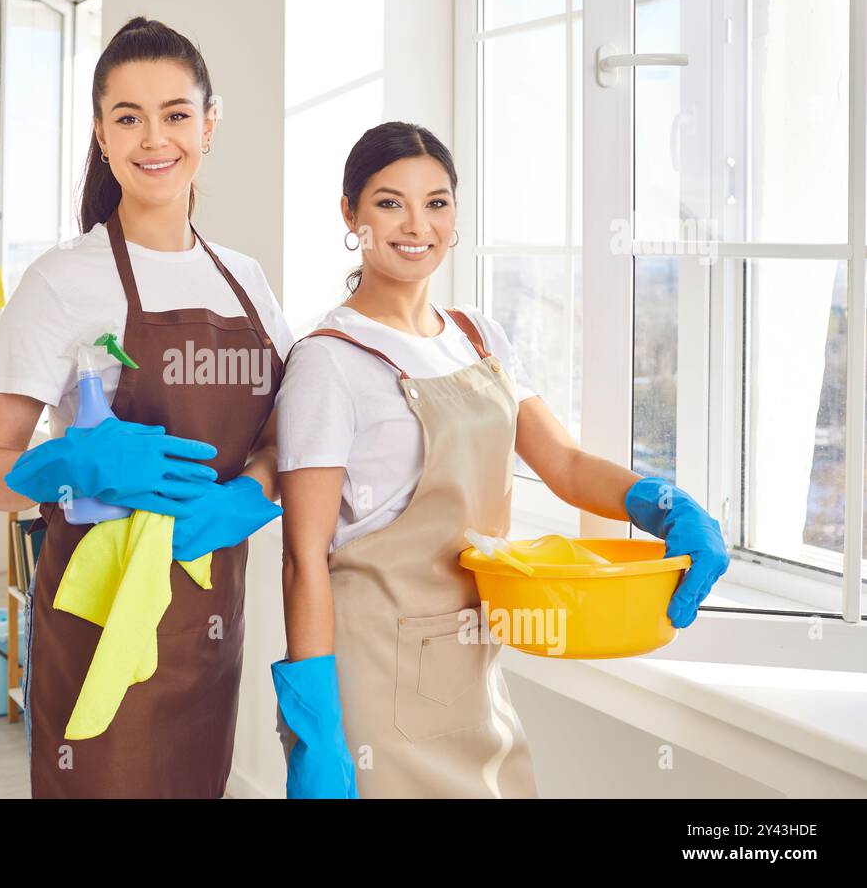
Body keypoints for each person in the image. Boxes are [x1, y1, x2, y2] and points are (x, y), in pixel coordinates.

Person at [272, 122, 730, 798]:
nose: (416, 224)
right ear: (351, 214)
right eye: (389, 202)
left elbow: (566, 465)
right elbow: (303, 557)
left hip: (471, 666)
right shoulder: (327, 360)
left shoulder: (478, 335)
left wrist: (661, 503)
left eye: (437, 202)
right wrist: (315, 728)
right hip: (374, 672)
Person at [0, 17, 295, 797]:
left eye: (177, 113)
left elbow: (287, 436)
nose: (156, 138)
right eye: (129, 117)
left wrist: (252, 495)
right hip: (97, 622)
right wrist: (70, 467)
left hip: (208, 618)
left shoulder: (246, 278)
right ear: (101, 136)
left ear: (209, 125)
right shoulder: (60, 281)